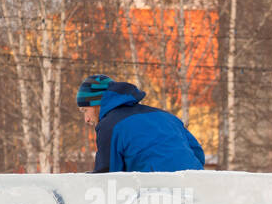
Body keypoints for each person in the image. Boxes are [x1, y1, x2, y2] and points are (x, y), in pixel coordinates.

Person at [77, 74, 205, 173]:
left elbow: (107, 175)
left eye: (85, 110)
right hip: (197, 187)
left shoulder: (110, 126)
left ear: (97, 104)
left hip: (158, 196)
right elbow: (198, 153)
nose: (86, 119)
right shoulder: (166, 116)